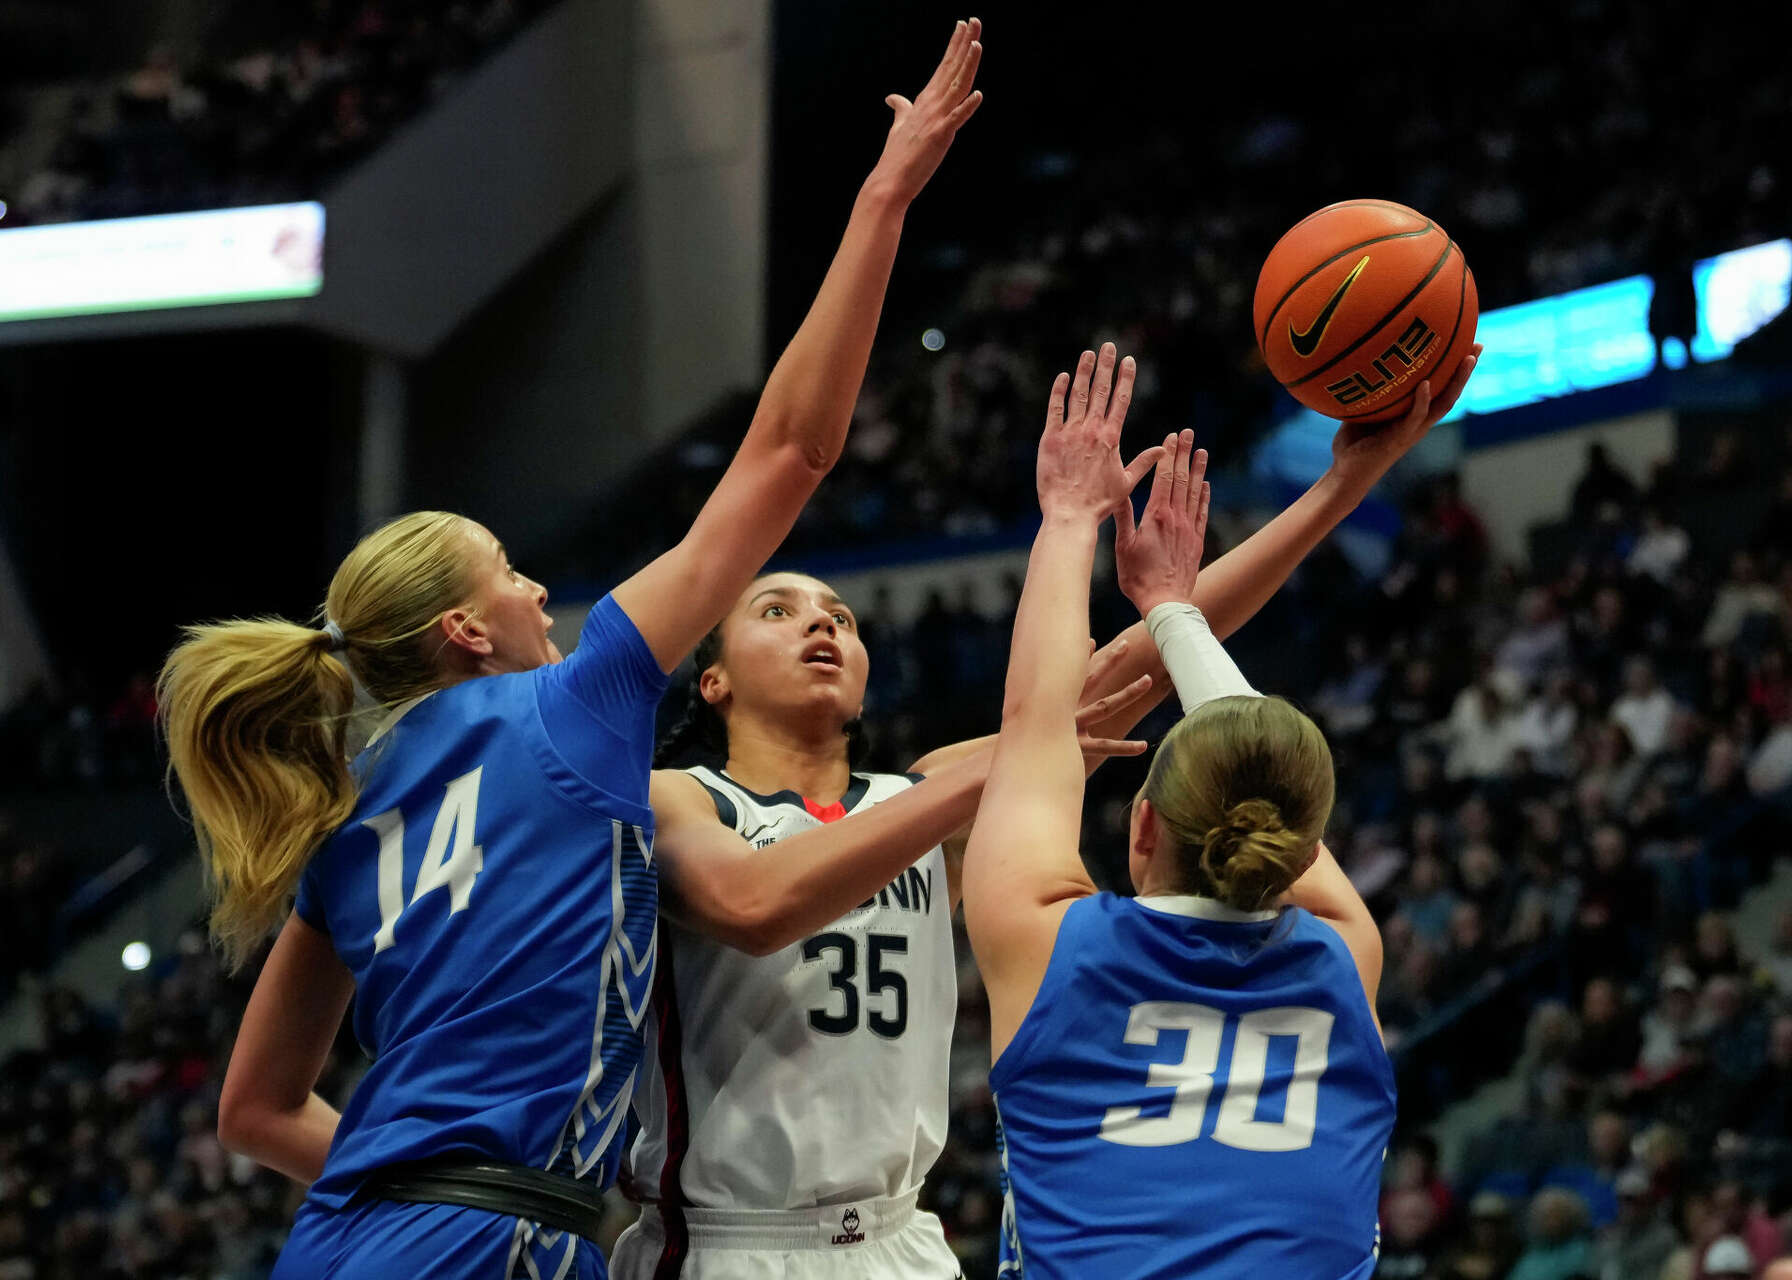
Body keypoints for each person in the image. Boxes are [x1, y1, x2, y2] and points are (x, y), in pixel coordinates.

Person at [157, 23, 987, 1278]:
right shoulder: (572, 703)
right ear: (462, 628)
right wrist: (883, 197)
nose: (541, 587)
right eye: (510, 571)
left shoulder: (344, 814)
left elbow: (255, 1111)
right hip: (496, 1234)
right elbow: (790, 451)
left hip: (341, 1241)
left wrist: (400, 1190)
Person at [615, 339, 1477, 1278]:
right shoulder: (677, 799)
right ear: (711, 681)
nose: (823, 621)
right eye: (777, 611)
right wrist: (998, 768)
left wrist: (1337, 490)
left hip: (903, 1238)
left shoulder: (926, 791)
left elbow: (1147, 661)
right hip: (734, 1237)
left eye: (843, 616)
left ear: (866, 679)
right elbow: (752, 903)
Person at [965, 348, 1405, 1278]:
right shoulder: (1342, 951)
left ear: (1142, 829)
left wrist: (1073, 518)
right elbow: (1044, 727)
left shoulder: (1052, 949)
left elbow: (1037, 722)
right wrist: (1168, 608)